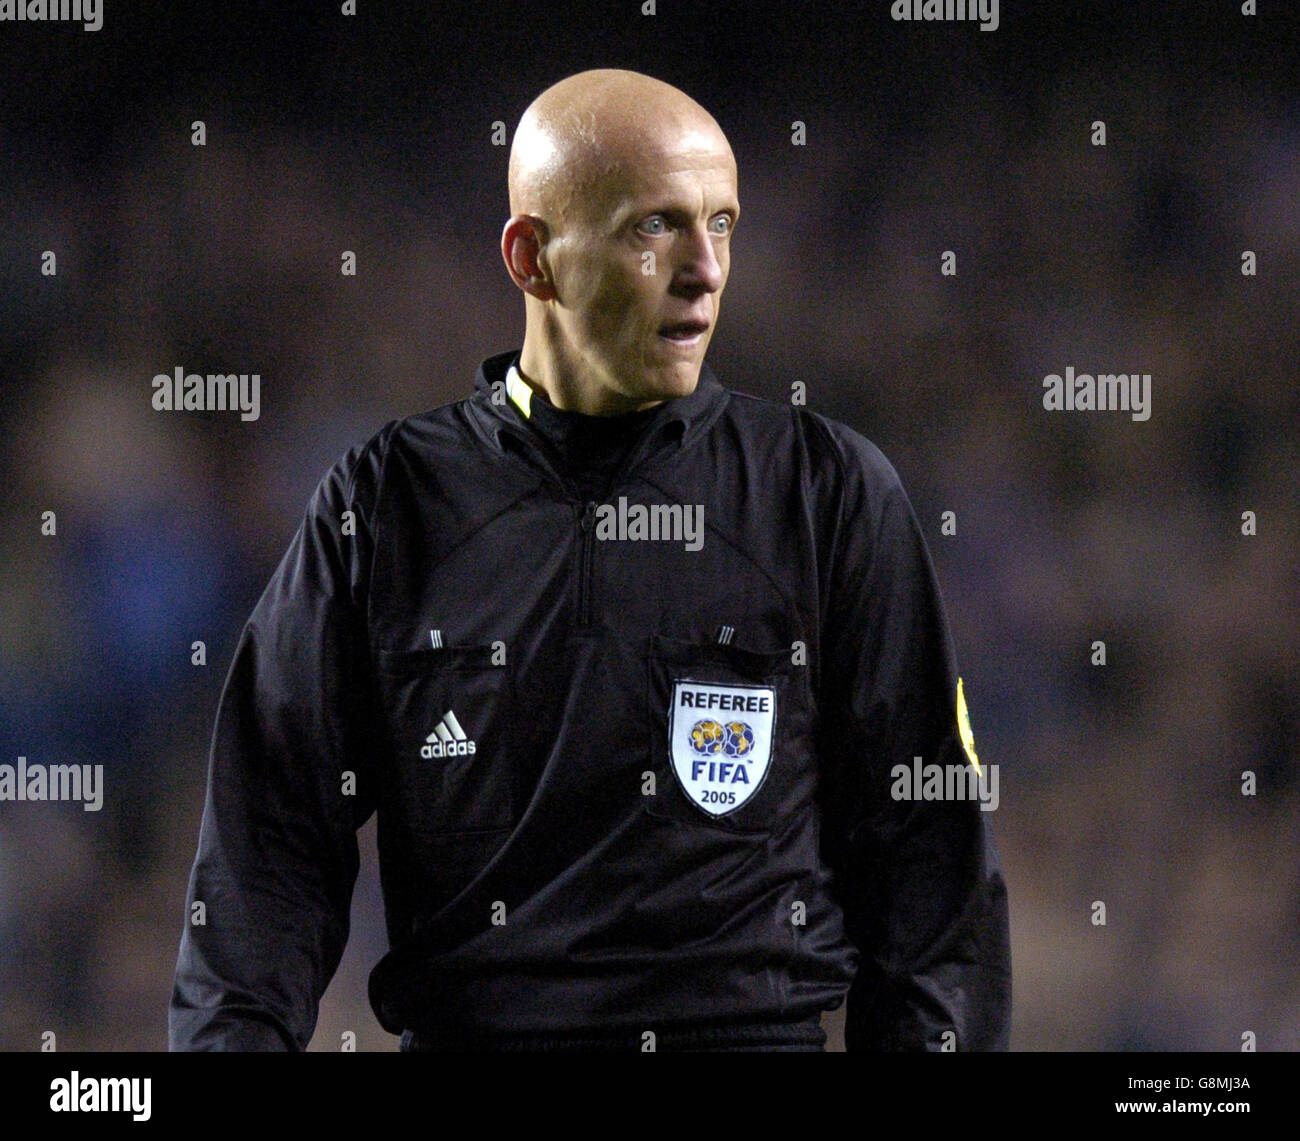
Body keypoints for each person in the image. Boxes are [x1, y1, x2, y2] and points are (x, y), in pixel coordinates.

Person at [168, 68, 1011, 1052]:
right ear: (533, 258)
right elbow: (262, 870)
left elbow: (933, 889)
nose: (705, 266)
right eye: (655, 226)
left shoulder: (828, 495)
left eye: (723, 223)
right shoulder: (383, 506)